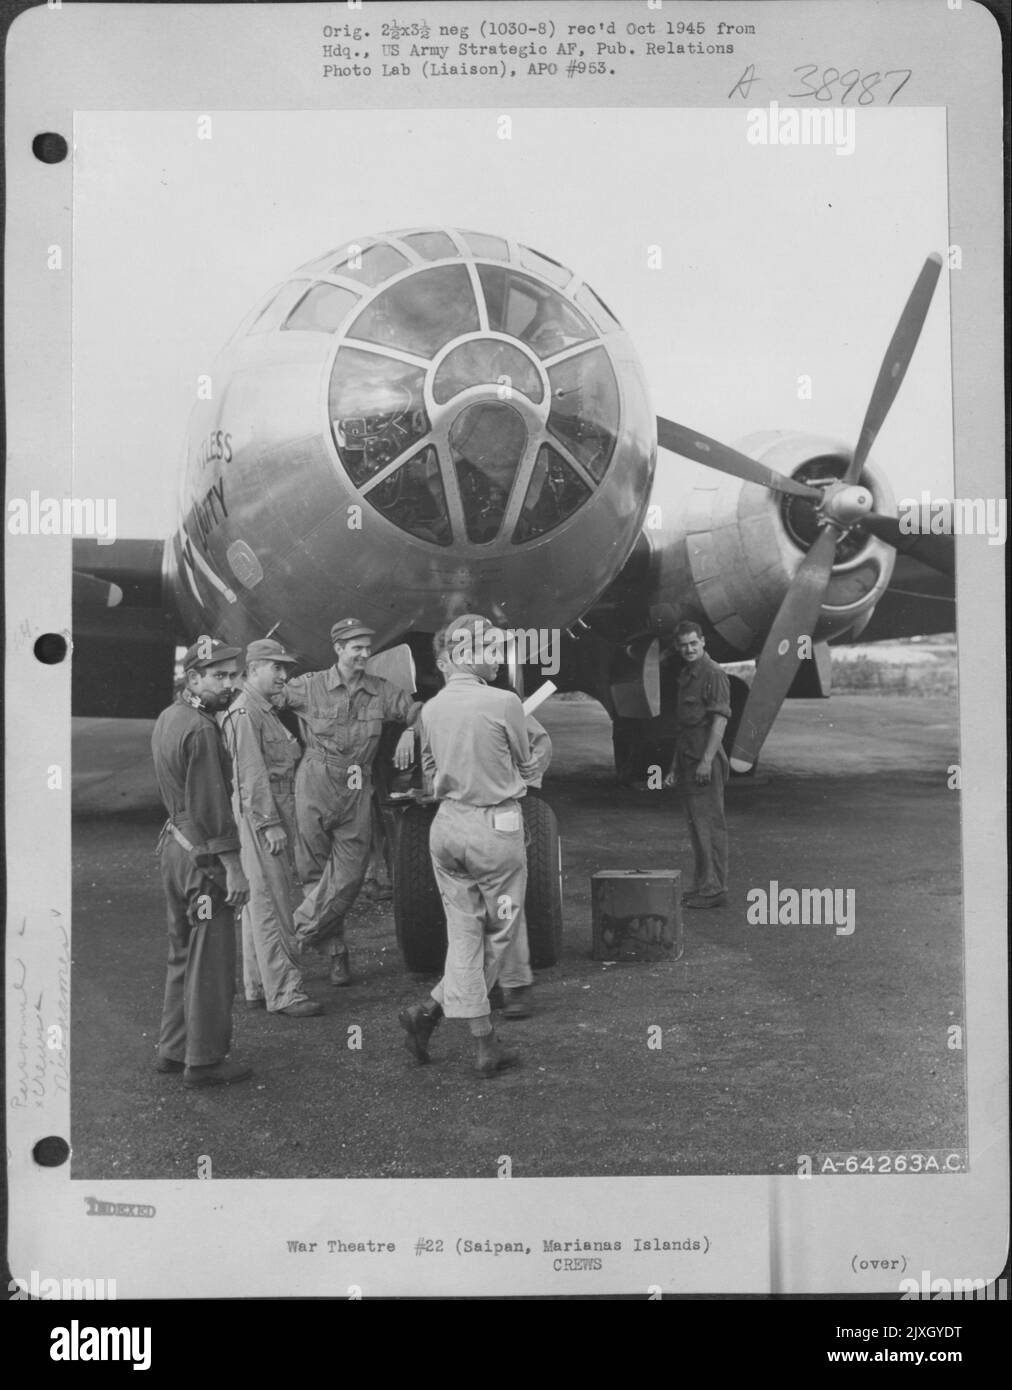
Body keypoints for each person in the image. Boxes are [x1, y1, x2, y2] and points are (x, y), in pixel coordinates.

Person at [399, 615, 540, 1077]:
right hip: (494, 829)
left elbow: (427, 773)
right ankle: (431, 1009)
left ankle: (479, 1041)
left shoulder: (431, 709)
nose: (499, 657)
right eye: (490, 649)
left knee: (463, 935)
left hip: (446, 828)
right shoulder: (504, 702)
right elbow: (524, 760)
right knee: (499, 934)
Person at [278, 617, 421, 984]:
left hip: (357, 782)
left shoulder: (382, 691)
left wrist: (410, 731)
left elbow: (420, 714)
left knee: (349, 876)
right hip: (314, 779)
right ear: (338, 649)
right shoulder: (308, 687)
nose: (363, 654)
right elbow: (263, 699)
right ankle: (336, 953)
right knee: (313, 872)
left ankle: (291, 938)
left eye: (366, 648)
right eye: (355, 647)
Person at [151, 637, 252, 1087]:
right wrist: (234, 868)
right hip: (203, 860)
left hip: (174, 849)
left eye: (233, 676)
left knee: (181, 953)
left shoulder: (169, 717)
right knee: (210, 960)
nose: (229, 684)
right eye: (219, 677)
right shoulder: (203, 729)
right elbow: (214, 811)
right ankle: (205, 1061)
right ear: (193, 678)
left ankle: (172, 1050)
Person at [221, 639, 323, 1019]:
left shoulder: (259, 709)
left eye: (286, 669)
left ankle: (259, 986)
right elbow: (251, 777)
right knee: (274, 904)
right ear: (255, 668)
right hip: (263, 813)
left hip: (267, 810)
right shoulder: (246, 713)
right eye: (276, 668)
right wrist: (270, 824)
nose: (284, 675)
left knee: (259, 902)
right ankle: (286, 993)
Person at [664, 620, 732, 908]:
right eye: (683, 645)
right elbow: (684, 728)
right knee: (697, 827)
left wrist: (706, 761)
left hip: (704, 762)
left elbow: (719, 720)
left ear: (703, 641)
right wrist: (672, 767)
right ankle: (703, 885)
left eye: (693, 643)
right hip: (688, 760)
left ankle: (715, 890)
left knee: (710, 826)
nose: (688, 649)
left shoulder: (713, 673)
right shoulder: (688, 674)